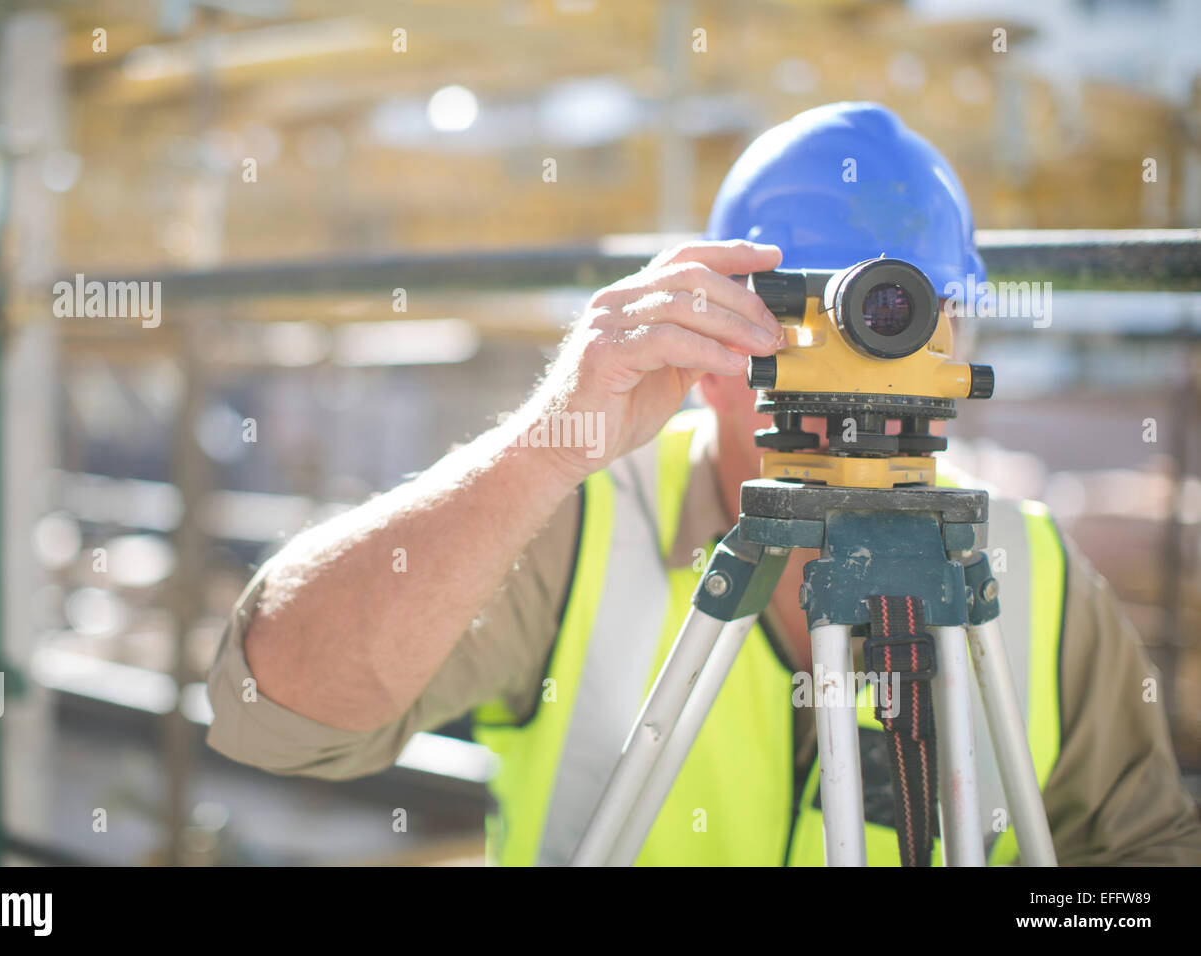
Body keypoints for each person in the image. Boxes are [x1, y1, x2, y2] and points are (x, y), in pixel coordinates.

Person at [205, 102, 1201, 865]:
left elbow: (1139, 864)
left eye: (892, 317)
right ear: (711, 327)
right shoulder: (577, 519)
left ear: (957, 341)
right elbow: (273, 713)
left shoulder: (1030, 571)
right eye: (805, 315)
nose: (854, 356)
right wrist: (548, 444)